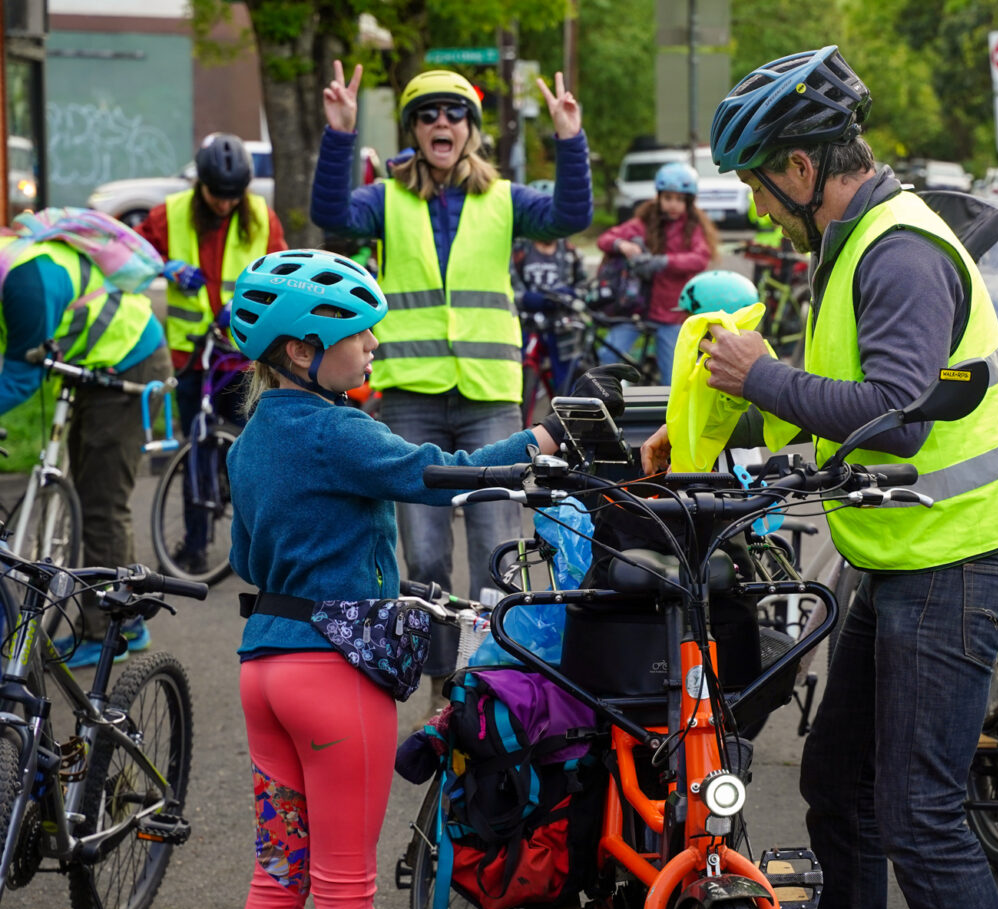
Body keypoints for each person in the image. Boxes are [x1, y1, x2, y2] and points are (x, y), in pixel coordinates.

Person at [643, 46, 998, 909]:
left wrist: (758, 376)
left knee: (921, 812)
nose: (757, 201)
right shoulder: (854, 238)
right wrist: (714, 427)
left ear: (798, 167)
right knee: (838, 780)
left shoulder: (897, 249)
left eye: (756, 180)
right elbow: (827, 402)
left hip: (959, 553)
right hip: (904, 552)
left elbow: (895, 414)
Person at [223, 248, 624, 909]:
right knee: (344, 881)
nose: (374, 345)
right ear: (304, 351)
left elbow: (246, 559)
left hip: (264, 669)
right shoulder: (336, 431)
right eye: (360, 333)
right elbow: (435, 472)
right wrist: (537, 444)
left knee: (278, 877)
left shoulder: (249, 442)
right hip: (334, 678)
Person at [311, 62, 591, 680]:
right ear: (414, 128)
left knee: (495, 552)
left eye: (455, 112)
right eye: (430, 113)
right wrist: (341, 134)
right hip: (412, 394)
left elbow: (571, 217)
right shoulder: (385, 197)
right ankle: (444, 680)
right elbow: (331, 215)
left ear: (472, 128)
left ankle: (489, 679)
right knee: (427, 554)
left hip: (489, 394)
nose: (444, 122)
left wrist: (570, 140)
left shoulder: (504, 197)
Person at [0, 234, 173, 668]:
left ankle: (109, 632)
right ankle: (125, 617)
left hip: (129, 363)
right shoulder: (15, 259)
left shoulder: (24, 285)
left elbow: (21, 376)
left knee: (102, 504)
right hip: (99, 363)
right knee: (92, 492)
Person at [136, 131, 288, 573]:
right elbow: (136, 250)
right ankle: (196, 543)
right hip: (190, 356)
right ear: (200, 185)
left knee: (254, 449)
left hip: (240, 353)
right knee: (198, 448)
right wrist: (164, 265)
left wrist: (247, 307)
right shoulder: (172, 213)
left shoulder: (260, 217)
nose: (224, 204)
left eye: (232, 196)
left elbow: (280, 275)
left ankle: (260, 546)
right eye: (216, 195)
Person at [596, 161, 718, 381]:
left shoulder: (693, 228)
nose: (673, 204)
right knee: (607, 356)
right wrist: (622, 246)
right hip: (635, 309)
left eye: (680, 199)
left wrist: (663, 262)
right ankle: (616, 398)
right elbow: (605, 239)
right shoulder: (644, 222)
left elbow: (700, 258)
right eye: (668, 198)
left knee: (673, 376)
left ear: (688, 202)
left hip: (671, 313)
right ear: (659, 197)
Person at [512, 234, 588, 393]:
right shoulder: (519, 250)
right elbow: (508, 287)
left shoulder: (570, 252)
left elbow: (584, 288)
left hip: (563, 328)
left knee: (567, 384)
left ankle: (565, 413)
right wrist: (525, 299)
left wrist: (568, 295)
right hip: (527, 325)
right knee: (519, 378)